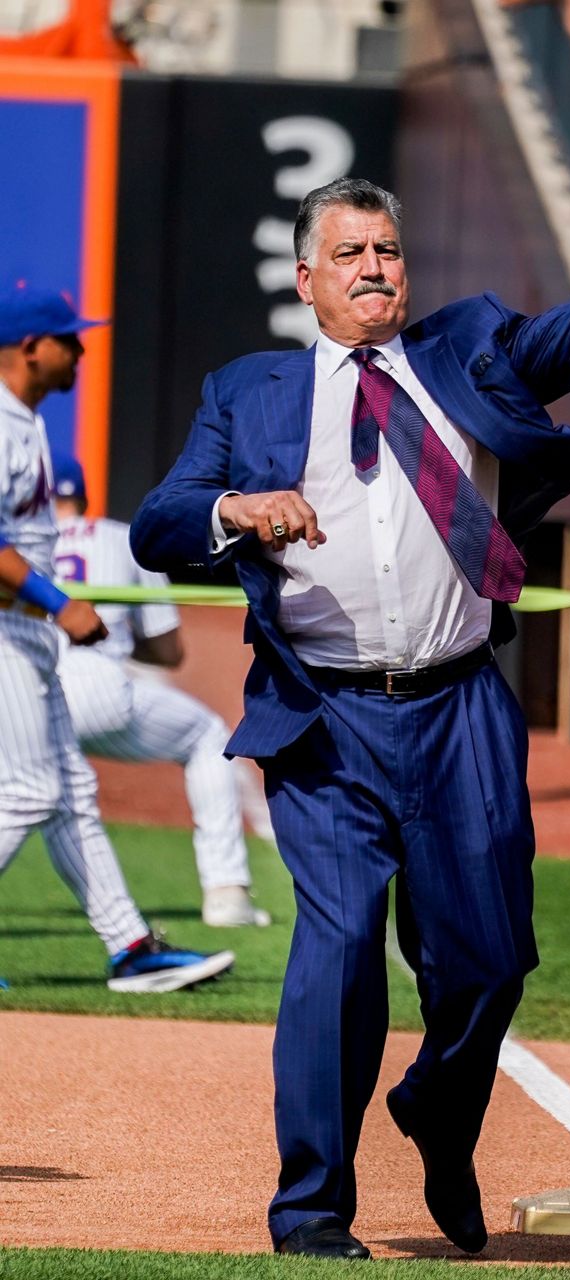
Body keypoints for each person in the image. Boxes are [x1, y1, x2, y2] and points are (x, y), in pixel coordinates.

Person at [128, 74, 570, 1261]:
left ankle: (437, 1105)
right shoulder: (248, 393)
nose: (374, 266)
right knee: (335, 954)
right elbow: (158, 524)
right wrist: (238, 506)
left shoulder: (468, 351)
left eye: (387, 248)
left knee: (485, 963)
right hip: (323, 715)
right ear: (305, 278)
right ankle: (311, 1210)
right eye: (349, 252)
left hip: (460, 703)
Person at [0, 284, 234, 992]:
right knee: (30, 792)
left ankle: (130, 946)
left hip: (25, 631)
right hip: (8, 630)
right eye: (69, 339)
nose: (80, 349)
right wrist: (57, 602)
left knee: (72, 791)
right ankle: (131, 946)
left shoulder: (24, 422)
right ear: (30, 348)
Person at [50, 453, 272, 928]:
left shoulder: (23, 548)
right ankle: (227, 894)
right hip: (98, 685)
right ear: (84, 496)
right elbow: (169, 652)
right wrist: (116, 637)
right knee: (208, 737)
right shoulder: (118, 537)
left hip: (30, 693)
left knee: (30, 796)